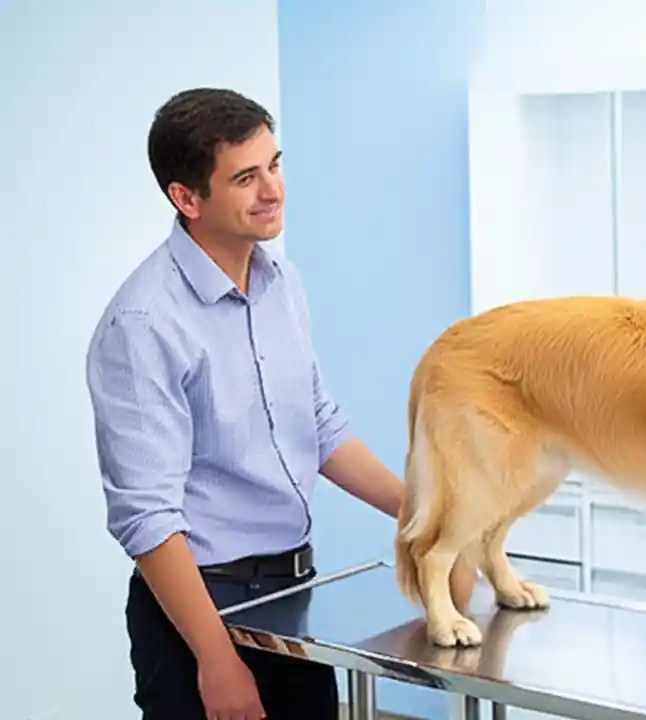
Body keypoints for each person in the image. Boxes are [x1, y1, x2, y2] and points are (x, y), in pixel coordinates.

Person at [84, 87, 474, 720]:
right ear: (186, 198)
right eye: (245, 177)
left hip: (293, 595)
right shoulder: (143, 323)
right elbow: (147, 520)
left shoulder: (280, 282)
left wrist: (424, 515)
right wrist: (216, 660)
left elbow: (316, 427)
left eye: (274, 164)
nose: (272, 189)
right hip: (202, 615)